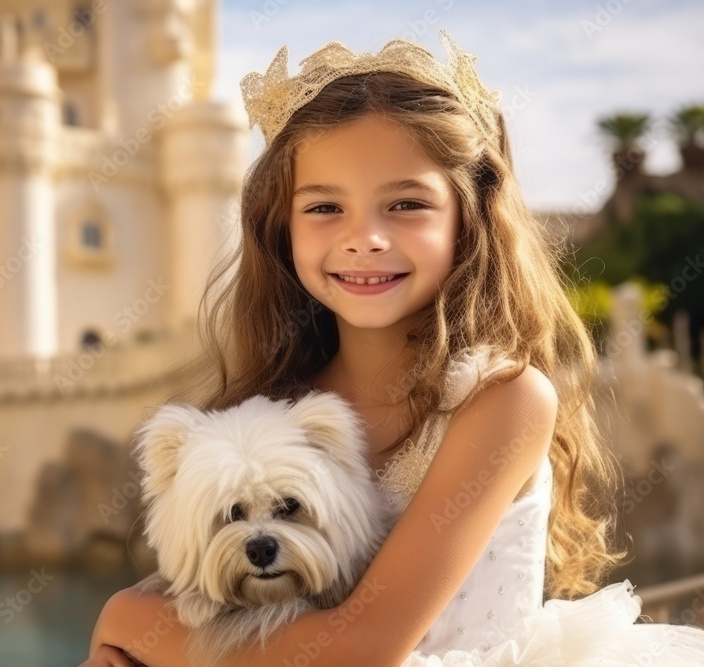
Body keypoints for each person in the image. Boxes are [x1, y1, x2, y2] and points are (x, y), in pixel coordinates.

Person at [81, 30, 704, 666]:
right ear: (281, 227)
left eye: (406, 204)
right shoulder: (274, 409)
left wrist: (124, 615)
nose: (366, 239)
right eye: (325, 207)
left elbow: (358, 651)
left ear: (469, 217)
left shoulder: (501, 401)